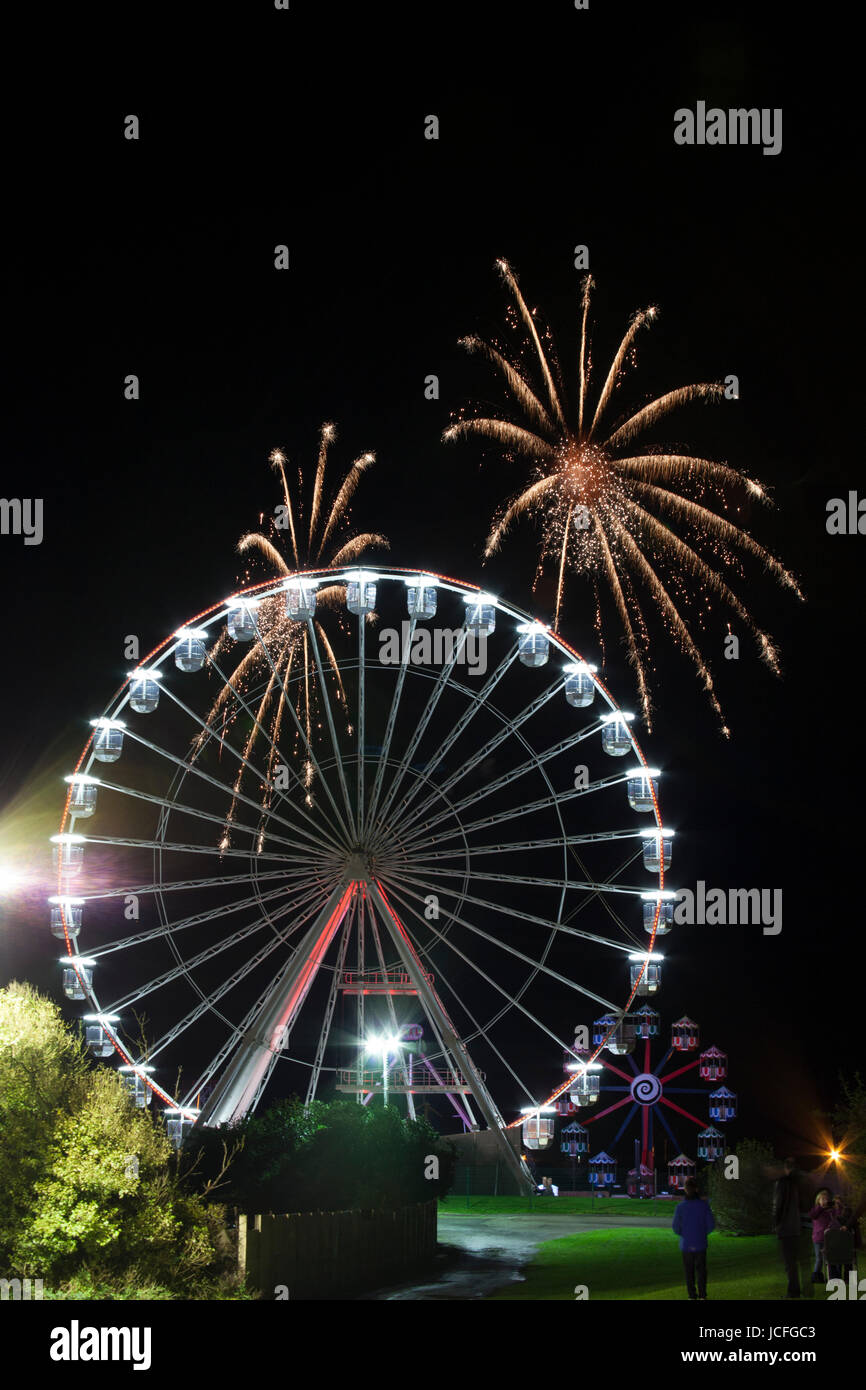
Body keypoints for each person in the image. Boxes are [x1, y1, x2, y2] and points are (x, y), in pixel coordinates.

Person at [672, 1177, 715, 1300]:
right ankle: (702, 1295)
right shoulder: (704, 1206)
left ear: (685, 1189)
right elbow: (711, 1225)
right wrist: (701, 1233)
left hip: (686, 1244)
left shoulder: (680, 1207)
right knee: (701, 1271)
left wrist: (685, 1233)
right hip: (700, 1243)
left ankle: (692, 1295)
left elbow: (676, 1227)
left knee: (689, 1272)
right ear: (696, 1189)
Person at [773, 1157, 803, 1298]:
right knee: (793, 1262)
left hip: (786, 1227)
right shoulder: (797, 1184)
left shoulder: (783, 1183)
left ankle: (793, 1291)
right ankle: (795, 1288)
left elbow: (778, 1205)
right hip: (796, 1226)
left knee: (789, 1262)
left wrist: (776, 1223)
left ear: (785, 1168)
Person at [806, 1189, 834, 1282]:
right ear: (818, 1200)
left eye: (826, 1199)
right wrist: (820, 1207)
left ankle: (831, 1277)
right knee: (819, 1259)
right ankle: (815, 1277)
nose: (824, 1201)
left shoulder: (829, 1211)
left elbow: (834, 1219)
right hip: (818, 1238)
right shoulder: (816, 1210)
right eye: (822, 1199)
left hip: (828, 1237)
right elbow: (812, 1215)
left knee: (829, 1258)